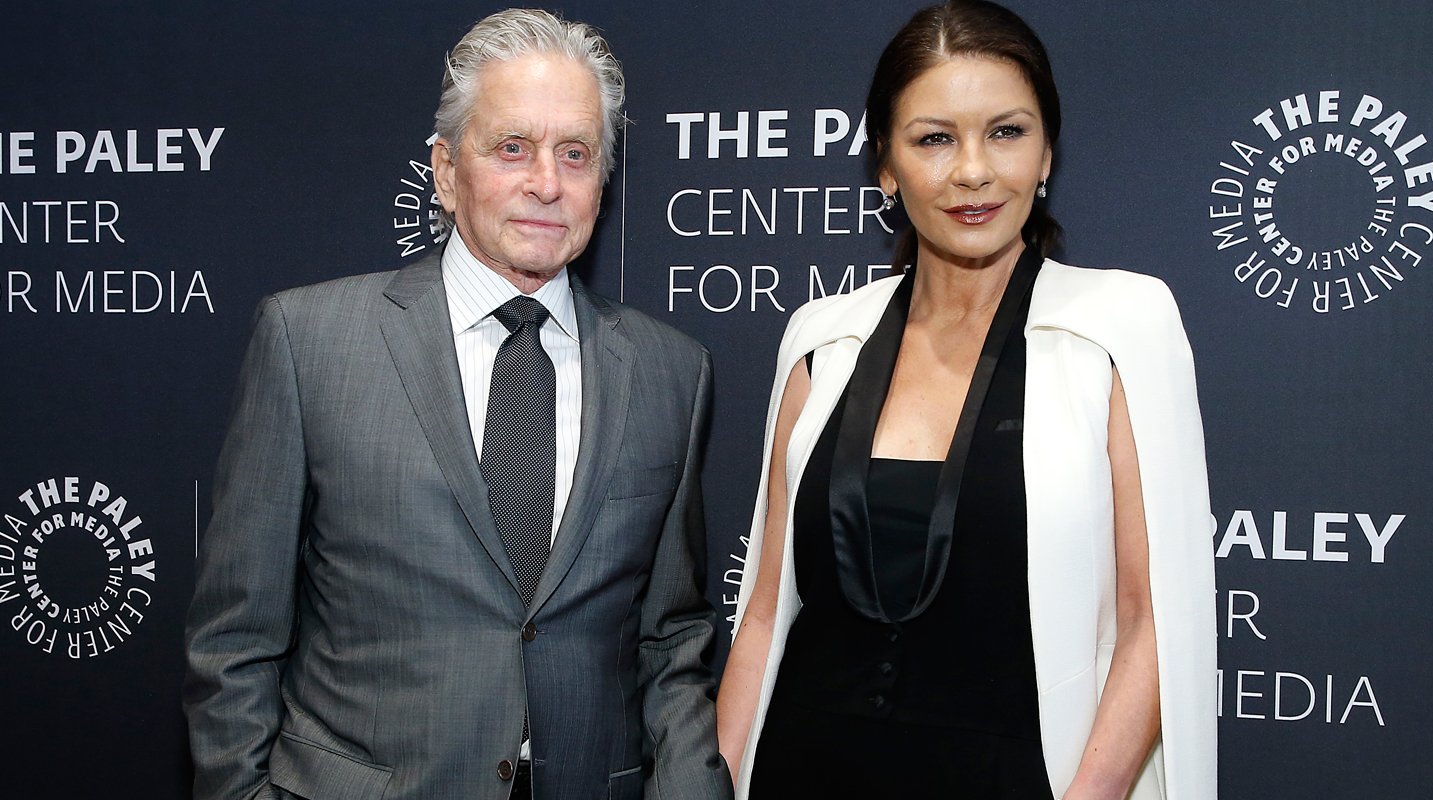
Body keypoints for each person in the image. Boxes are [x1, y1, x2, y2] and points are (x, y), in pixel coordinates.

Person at [183, 9, 732, 800]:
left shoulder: (672, 371)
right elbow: (235, 637)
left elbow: (670, 640)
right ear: (445, 170)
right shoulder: (308, 341)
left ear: (602, 178)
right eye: (513, 148)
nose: (547, 181)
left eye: (574, 153)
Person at [716, 1, 1216, 798]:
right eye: (934, 138)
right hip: (802, 767)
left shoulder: (1120, 329)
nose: (973, 170)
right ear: (886, 164)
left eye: (1007, 132)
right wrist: (720, 783)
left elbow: (1153, 621)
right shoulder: (823, 339)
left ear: (1048, 151)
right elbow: (767, 612)